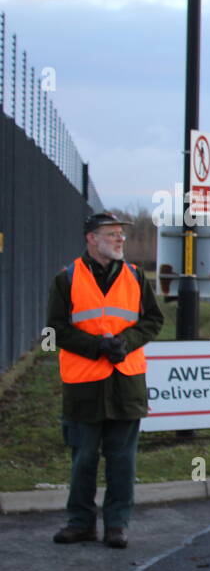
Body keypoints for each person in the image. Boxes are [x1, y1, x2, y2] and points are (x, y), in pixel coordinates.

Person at [47, 212, 164, 548]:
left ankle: (117, 525)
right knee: (83, 458)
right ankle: (80, 523)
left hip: (126, 382)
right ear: (91, 239)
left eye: (121, 235)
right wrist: (97, 346)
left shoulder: (135, 276)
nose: (120, 239)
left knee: (122, 460)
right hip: (84, 383)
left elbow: (154, 320)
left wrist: (125, 343)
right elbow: (55, 330)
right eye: (112, 234)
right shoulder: (66, 279)